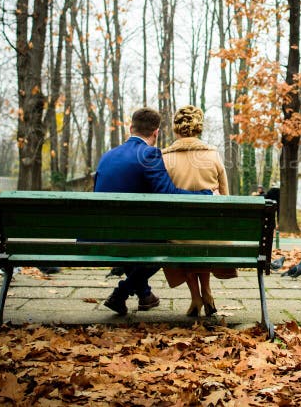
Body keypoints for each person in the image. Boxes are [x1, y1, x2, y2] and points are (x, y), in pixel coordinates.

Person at [95, 107, 211, 316]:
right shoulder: (149, 154)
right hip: (127, 237)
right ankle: (121, 293)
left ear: (130, 128)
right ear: (156, 133)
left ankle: (145, 295)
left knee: (135, 238)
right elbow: (169, 194)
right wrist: (206, 194)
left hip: (100, 236)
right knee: (166, 244)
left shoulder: (107, 156)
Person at [161, 105, 233, 317]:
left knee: (184, 238)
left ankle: (196, 297)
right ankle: (207, 292)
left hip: (179, 234)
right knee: (204, 236)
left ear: (176, 128)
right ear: (198, 128)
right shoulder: (213, 155)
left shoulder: (164, 158)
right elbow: (226, 197)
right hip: (210, 233)